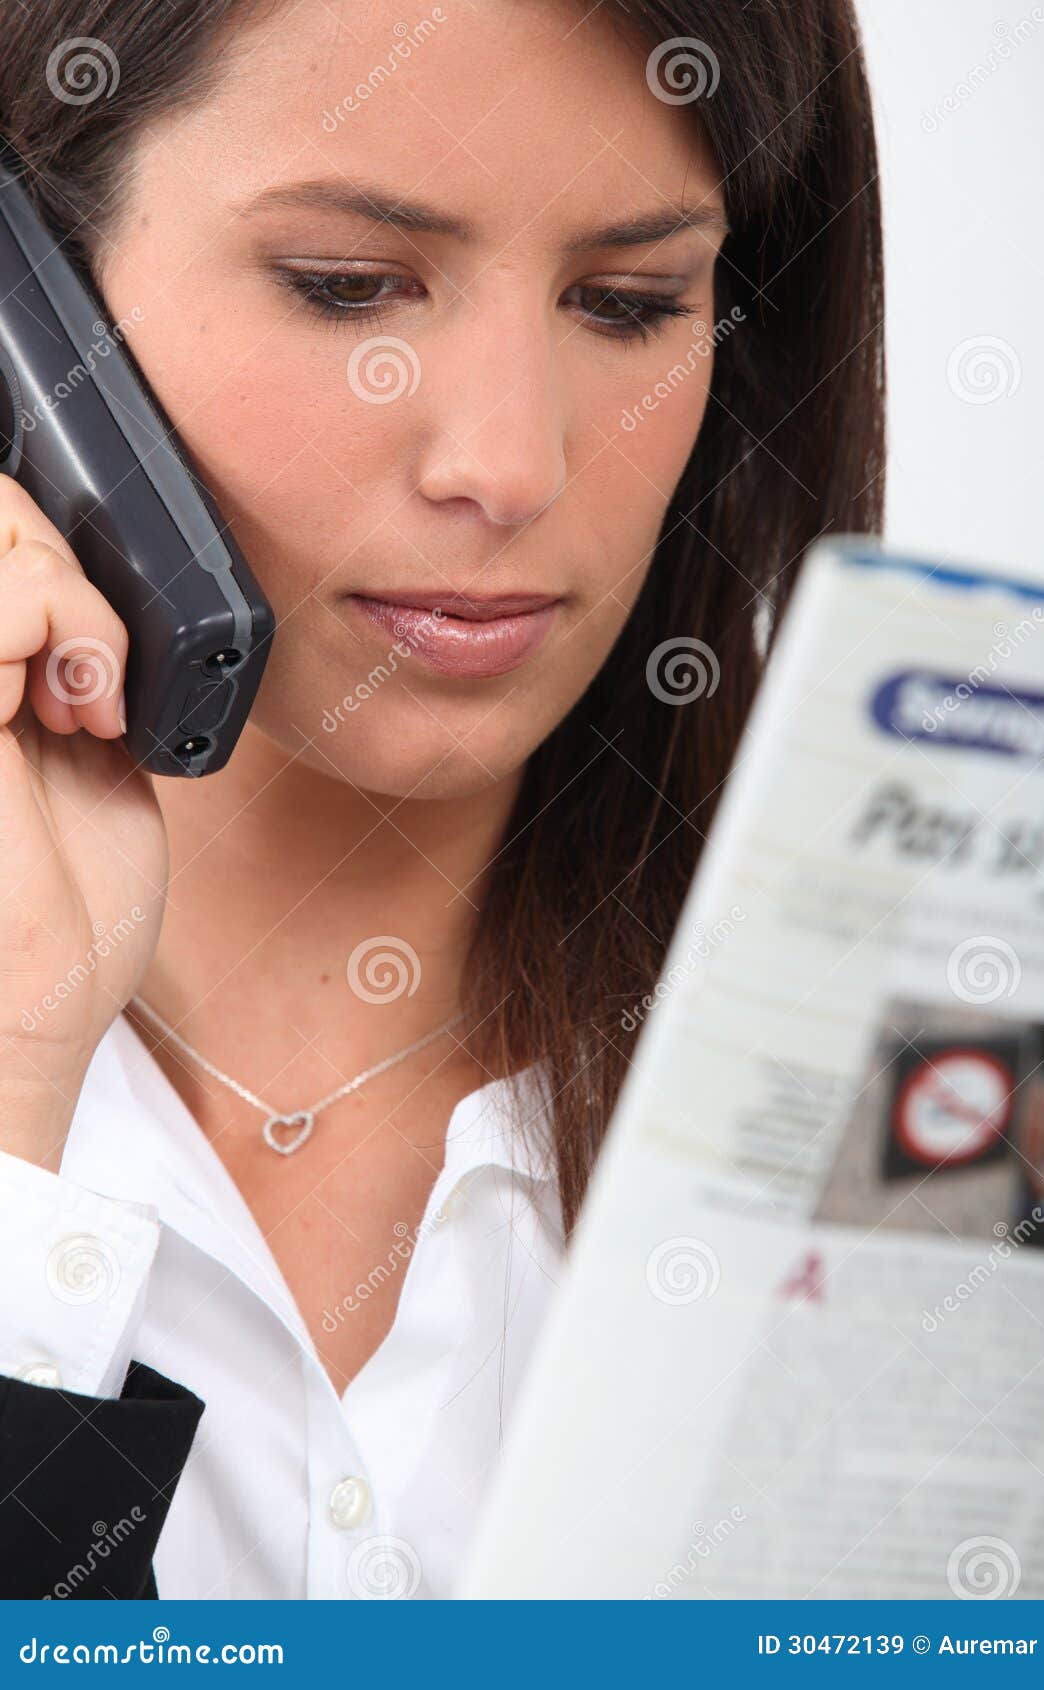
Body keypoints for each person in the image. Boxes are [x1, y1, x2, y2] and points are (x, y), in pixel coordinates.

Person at [0, 0, 884, 1598]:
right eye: (348, 286)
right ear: (33, 301)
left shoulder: (935, 1099)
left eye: (628, 303)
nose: (512, 462)